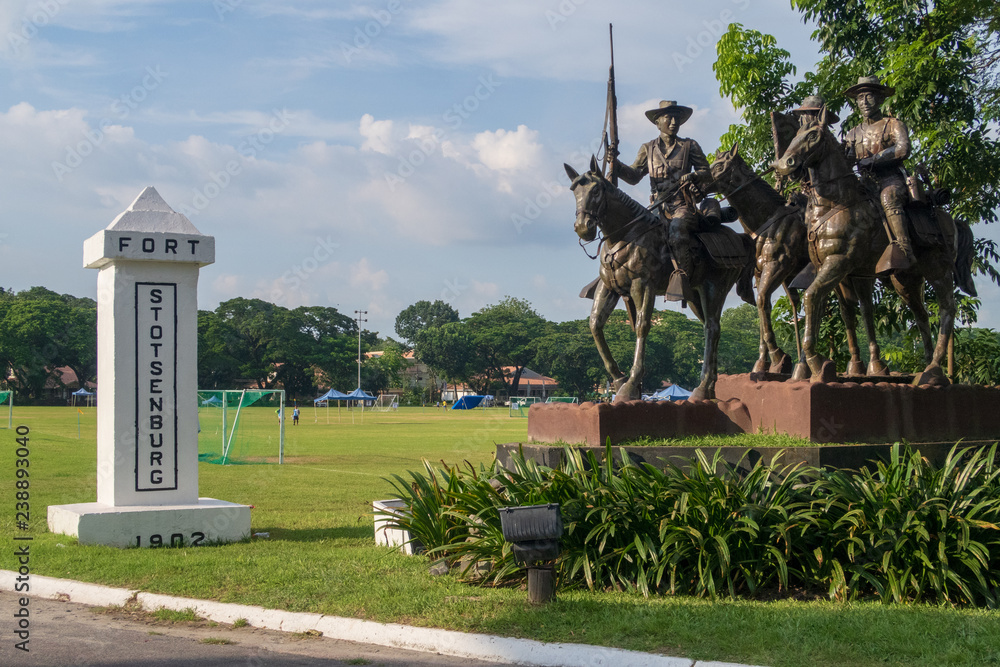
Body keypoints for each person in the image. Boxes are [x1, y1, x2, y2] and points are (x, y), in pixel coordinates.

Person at [614, 100, 713, 299]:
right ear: (657, 123)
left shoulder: (689, 146)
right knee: (630, 233)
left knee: (677, 230)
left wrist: (694, 176)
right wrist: (615, 164)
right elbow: (633, 176)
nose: (674, 122)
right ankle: (614, 275)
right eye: (668, 117)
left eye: (676, 117)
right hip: (657, 207)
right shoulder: (647, 149)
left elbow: (707, 173)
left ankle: (682, 278)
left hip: (682, 206)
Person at [841, 75, 914, 269]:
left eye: (869, 96)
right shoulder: (852, 133)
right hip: (863, 184)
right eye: (860, 98)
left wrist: (873, 159)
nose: (864, 102)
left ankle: (904, 248)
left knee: (888, 198)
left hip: (889, 179)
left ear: (880, 99)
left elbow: (903, 148)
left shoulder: (893, 124)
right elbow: (846, 161)